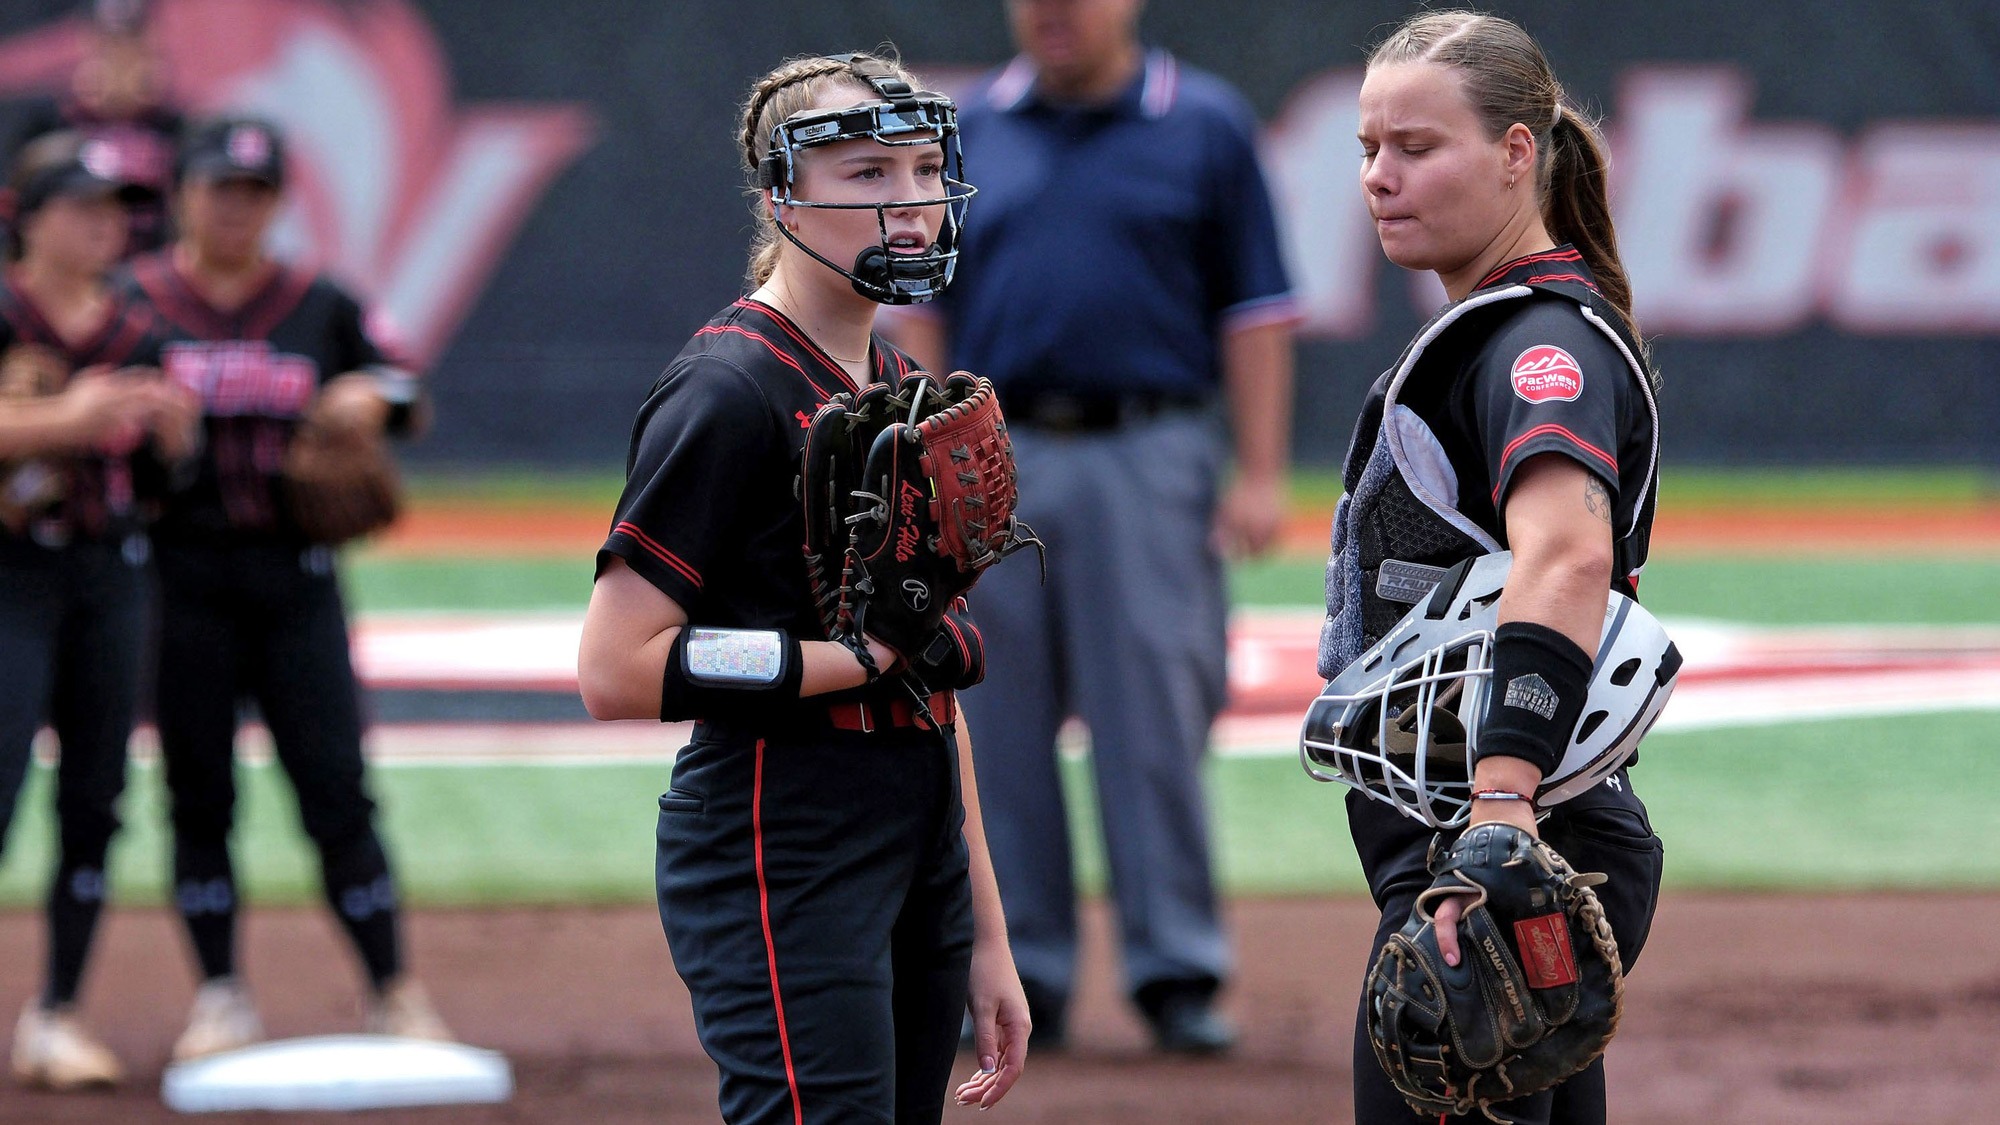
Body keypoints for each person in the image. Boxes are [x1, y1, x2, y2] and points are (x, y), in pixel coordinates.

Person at [576, 51, 1030, 1124]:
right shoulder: (727, 388)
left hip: (914, 831)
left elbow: (933, 686)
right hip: (780, 831)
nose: (909, 203)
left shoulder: (901, 389)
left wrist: (985, 930)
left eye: (923, 168)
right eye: (866, 173)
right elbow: (617, 668)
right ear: (783, 196)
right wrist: (843, 660)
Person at [884, 0, 1296, 1054]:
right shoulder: (965, 127)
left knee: (1153, 714)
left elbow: (1252, 309)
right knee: (995, 719)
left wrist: (1256, 470)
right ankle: (1025, 975)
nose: (1052, 10)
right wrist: (929, 455)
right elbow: (921, 300)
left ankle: (1175, 968)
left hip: (1148, 448)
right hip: (992, 448)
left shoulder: (1201, 123)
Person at [1323, 11, 1667, 1122]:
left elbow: (1566, 557)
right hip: (1505, 838)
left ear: (1516, 153)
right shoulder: (1501, 328)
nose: (1380, 177)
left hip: (1497, 843)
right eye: (1369, 149)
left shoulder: (1538, 346)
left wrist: (1499, 806)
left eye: (1416, 148)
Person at [116, 114, 442, 1059]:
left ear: (278, 204)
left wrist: (372, 396)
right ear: (184, 193)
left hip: (294, 576)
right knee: (199, 791)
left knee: (336, 785)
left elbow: (406, 388)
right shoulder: (134, 303)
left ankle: (394, 987)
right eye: (220, 189)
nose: (236, 209)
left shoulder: (317, 300)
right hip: (179, 577)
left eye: (255, 194)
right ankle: (220, 994)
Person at [0, 129, 196, 1091]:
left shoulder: (136, 326)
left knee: (95, 796)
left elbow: (161, 484)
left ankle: (57, 1011)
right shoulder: (6, 310)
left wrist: (174, 437)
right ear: (26, 218)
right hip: (11, 575)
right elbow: (57, 426)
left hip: (110, 574)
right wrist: (60, 422)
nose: (101, 227)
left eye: (113, 211)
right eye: (80, 208)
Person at [10, 0, 182, 259]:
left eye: (130, 43)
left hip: (145, 267)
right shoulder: (45, 119)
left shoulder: (174, 125)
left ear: (151, 42)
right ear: (88, 41)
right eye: (109, 44)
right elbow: (17, 204)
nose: (120, 56)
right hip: (64, 265)